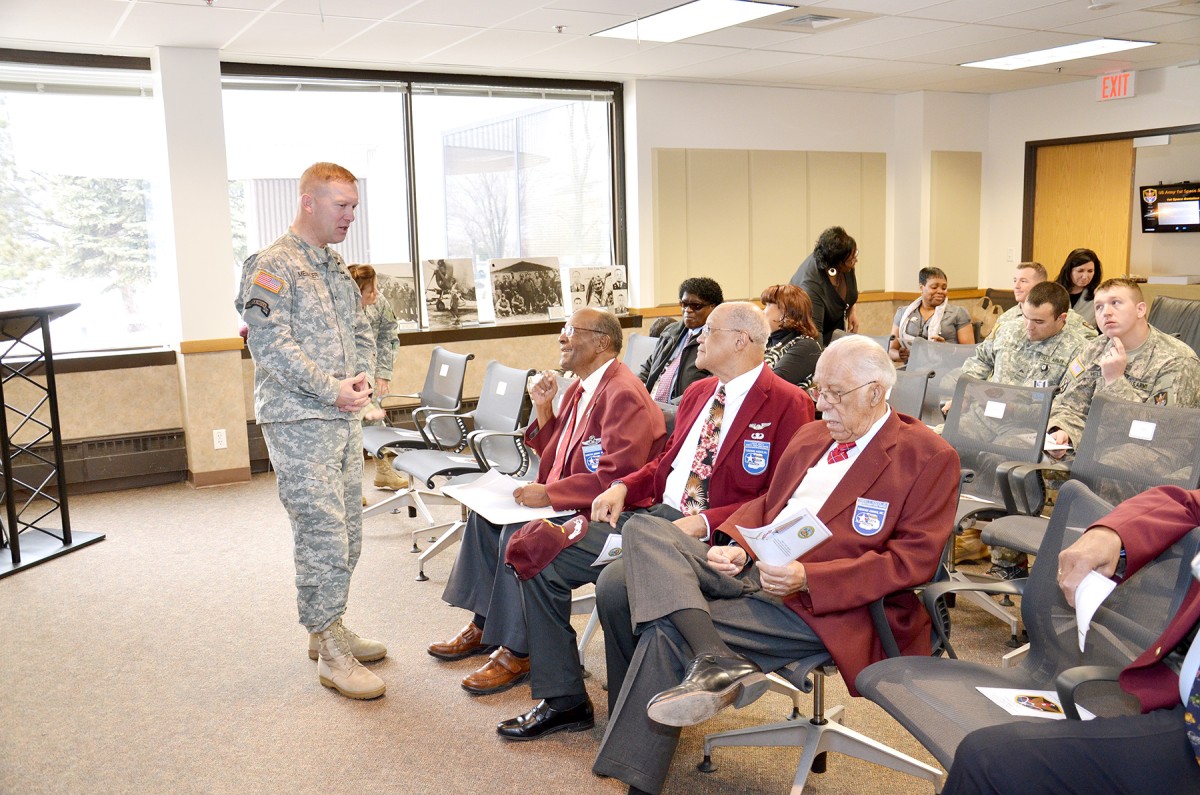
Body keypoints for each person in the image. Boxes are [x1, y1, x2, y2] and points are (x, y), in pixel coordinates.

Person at [592, 336, 960, 795]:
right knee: (641, 532)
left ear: (874, 392)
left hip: (820, 600)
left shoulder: (926, 457)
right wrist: (741, 545)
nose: (821, 405)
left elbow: (913, 563)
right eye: (817, 390)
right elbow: (771, 504)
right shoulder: (813, 437)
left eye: (834, 394)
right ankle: (717, 659)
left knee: (664, 626)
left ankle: (641, 771)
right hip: (755, 569)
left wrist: (810, 577)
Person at [496, 303, 815, 740]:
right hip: (651, 516)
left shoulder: (788, 402)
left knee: (616, 584)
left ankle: (639, 719)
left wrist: (702, 523)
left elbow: (776, 496)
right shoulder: (701, 392)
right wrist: (624, 486)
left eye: (709, 331)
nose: (697, 338)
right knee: (539, 553)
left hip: (714, 537)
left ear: (741, 340)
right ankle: (564, 699)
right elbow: (668, 462)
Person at [426, 309, 666, 697]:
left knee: (518, 532)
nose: (561, 337)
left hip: (609, 512)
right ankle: (486, 624)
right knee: (482, 519)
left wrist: (550, 494)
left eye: (571, 331)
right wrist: (543, 410)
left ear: (602, 342)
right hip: (571, 498)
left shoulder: (623, 395)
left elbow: (617, 478)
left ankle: (520, 649)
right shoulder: (580, 387)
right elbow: (560, 450)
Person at [235, 162, 385, 700]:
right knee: (321, 534)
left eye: (353, 206)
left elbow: (361, 325)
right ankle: (331, 655)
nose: (350, 215)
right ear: (308, 202)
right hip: (300, 420)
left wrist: (364, 377)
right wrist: (331, 388)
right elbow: (269, 344)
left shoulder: (332, 264)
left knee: (347, 534)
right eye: (341, 205)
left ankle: (329, 627)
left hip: (341, 418)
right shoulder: (272, 265)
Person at [941, 484, 1200, 795]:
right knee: (991, 760)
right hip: (1182, 708)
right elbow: (1187, 502)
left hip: (1189, 736)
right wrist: (1112, 533)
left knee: (986, 761)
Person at [947, 281, 1092, 575]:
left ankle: (1007, 561)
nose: (1029, 326)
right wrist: (962, 396)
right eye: (1026, 316)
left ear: (1061, 319)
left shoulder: (1080, 347)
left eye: (1039, 321)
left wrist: (1051, 424)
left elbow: (1071, 401)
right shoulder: (1010, 327)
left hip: (1028, 427)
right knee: (941, 449)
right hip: (985, 416)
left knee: (1009, 465)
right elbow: (980, 360)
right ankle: (946, 544)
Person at [1046, 277, 1200, 457]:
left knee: (1105, 468)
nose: (1106, 312)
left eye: (1115, 303)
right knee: (1019, 451)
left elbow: (1157, 432)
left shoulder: (1177, 359)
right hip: (1098, 444)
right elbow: (1068, 405)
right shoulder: (1094, 349)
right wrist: (1065, 434)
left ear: (1140, 309)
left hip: (1158, 453)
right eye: (1099, 307)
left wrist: (1115, 380)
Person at [347, 264, 408, 494]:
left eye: (376, 288)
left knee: (374, 425)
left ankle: (383, 471)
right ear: (356, 291)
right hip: (344, 375)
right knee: (351, 433)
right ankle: (351, 489)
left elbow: (388, 336)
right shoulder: (341, 309)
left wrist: (383, 373)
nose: (375, 294)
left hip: (369, 371)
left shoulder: (379, 303)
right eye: (370, 290)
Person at [639, 277, 724, 403]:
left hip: (683, 408)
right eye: (684, 304)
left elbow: (712, 386)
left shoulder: (717, 340)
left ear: (714, 307)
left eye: (696, 306)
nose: (688, 310)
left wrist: (674, 408)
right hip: (651, 405)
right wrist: (635, 391)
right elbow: (649, 367)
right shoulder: (670, 332)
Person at [789, 226, 859, 346]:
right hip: (809, 337)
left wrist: (851, 310)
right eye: (850, 260)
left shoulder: (846, 263)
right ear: (836, 264)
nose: (855, 261)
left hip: (832, 333)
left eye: (855, 254)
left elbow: (846, 295)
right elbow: (815, 337)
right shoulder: (812, 285)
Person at [989, 262, 1096, 340]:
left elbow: (1092, 344)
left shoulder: (1063, 316)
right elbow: (987, 352)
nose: (1016, 286)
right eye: (1015, 280)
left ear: (1040, 285)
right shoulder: (1006, 318)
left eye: (1023, 281)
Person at [889, 266, 974, 363]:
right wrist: (901, 356)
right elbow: (891, 350)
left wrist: (948, 348)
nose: (940, 291)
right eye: (934, 287)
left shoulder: (958, 313)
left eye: (944, 288)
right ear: (921, 287)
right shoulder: (903, 313)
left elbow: (971, 352)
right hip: (912, 368)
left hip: (946, 369)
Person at [759, 284, 823, 390]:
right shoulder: (767, 341)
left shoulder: (806, 346)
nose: (763, 311)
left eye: (769, 305)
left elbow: (771, 386)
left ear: (785, 312)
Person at [1055, 247, 1102, 326]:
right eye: (1080, 271)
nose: (1085, 276)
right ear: (1069, 270)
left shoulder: (1099, 294)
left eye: (1090, 271)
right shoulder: (1053, 292)